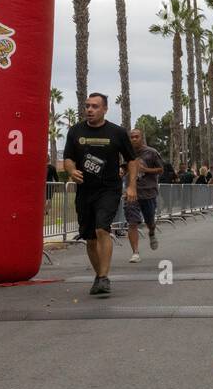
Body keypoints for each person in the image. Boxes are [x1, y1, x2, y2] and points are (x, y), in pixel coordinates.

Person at [62, 92, 139, 297]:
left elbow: (132, 160)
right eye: (87, 106)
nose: (89, 110)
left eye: (95, 106)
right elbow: (68, 157)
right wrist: (71, 170)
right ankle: (99, 276)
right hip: (85, 190)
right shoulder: (75, 131)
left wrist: (131, 186)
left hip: (109, 188)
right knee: (89, 237)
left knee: (101, 229)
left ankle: (104, 277)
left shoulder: (117, 132)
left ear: (105, 109)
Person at [124, 128, 164, 263]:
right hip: (132, 193)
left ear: (142, 138)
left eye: (136, 137)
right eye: (131, 137)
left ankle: (152, 232)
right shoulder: (127, 152)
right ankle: (135, 252)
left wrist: (146, 170)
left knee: (150, 221)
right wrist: (121, 172)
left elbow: (161, 169)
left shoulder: (151, 153)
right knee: (132, 222)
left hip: (149, 192)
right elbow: (125, 167)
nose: (134, 139)